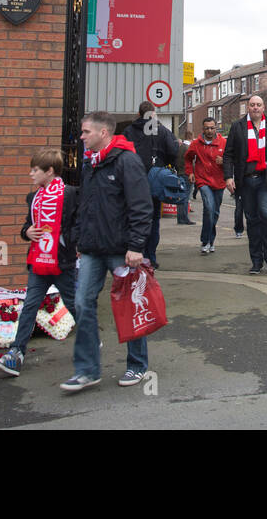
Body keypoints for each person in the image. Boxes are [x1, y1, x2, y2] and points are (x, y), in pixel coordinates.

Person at [62, 111, 152, 392]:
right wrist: (78, 239)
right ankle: (88, 370)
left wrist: (136, 246)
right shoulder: (90, 163)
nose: (81, 137)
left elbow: (141, 205)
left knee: (129, 306)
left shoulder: (127, 161)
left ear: (103, 133)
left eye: (86, 132)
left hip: (121, 250)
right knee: (82, 302)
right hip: (91, 249)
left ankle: (137, 365)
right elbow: (84, 205)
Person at [0, 149, 79, 376]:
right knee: (30, 305)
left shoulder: (70, 194)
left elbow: (79, 224)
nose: (31, 174)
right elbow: (27, 225)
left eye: (35, 170)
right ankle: (16, 353)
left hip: (62, 262)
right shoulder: (35, 198)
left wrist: (70, 243)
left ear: (50, 171)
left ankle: (90, 338)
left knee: (75, 304)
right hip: (38, 261)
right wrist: (26, 231)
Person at [223, 95, 267, 275]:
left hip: (266, 180)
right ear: (248, 107)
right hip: (245, 181)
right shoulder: (237, 127)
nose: (255, 108)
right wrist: (228, 177)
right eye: (252, 105)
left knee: (266, 215)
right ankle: (256, 260)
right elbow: (228, 154)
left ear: (263, 107)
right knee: (251, 220)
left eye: (258, 105)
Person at [123, 101, 181, 269]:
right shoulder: (162, 131)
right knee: (153, 219)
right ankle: (151, 258)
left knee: (134, 218)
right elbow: (173, 151)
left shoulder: (129, 131)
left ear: (139, 114)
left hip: (133, 180)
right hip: (155, 180)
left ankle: (135, 253)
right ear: (153, 114)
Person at [185, 118, 227, 254]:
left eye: (212, 128)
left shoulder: (223, 143)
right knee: (209, 207)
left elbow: (234, 159)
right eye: (207, 128)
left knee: (214, 212)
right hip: (203, 180)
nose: (209, 131)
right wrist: (190, 172)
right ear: (202, 129)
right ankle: (205, 241)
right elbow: (188, 158)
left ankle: (210, 240)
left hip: (219, 182)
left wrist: (224, 160)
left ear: (216, 128)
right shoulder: (196, 144)